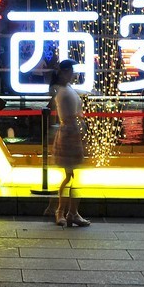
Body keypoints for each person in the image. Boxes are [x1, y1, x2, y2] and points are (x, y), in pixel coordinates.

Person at [49, 59, 90, 227]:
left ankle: (68, 212)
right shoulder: (63, 92)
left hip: (71, 135)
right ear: (65, 72)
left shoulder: (66, 90)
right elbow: (69, 115)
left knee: (71, 176)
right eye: (71, 70)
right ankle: (65, 212)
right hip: (70, 135)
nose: (73, 73)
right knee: (72, 176)